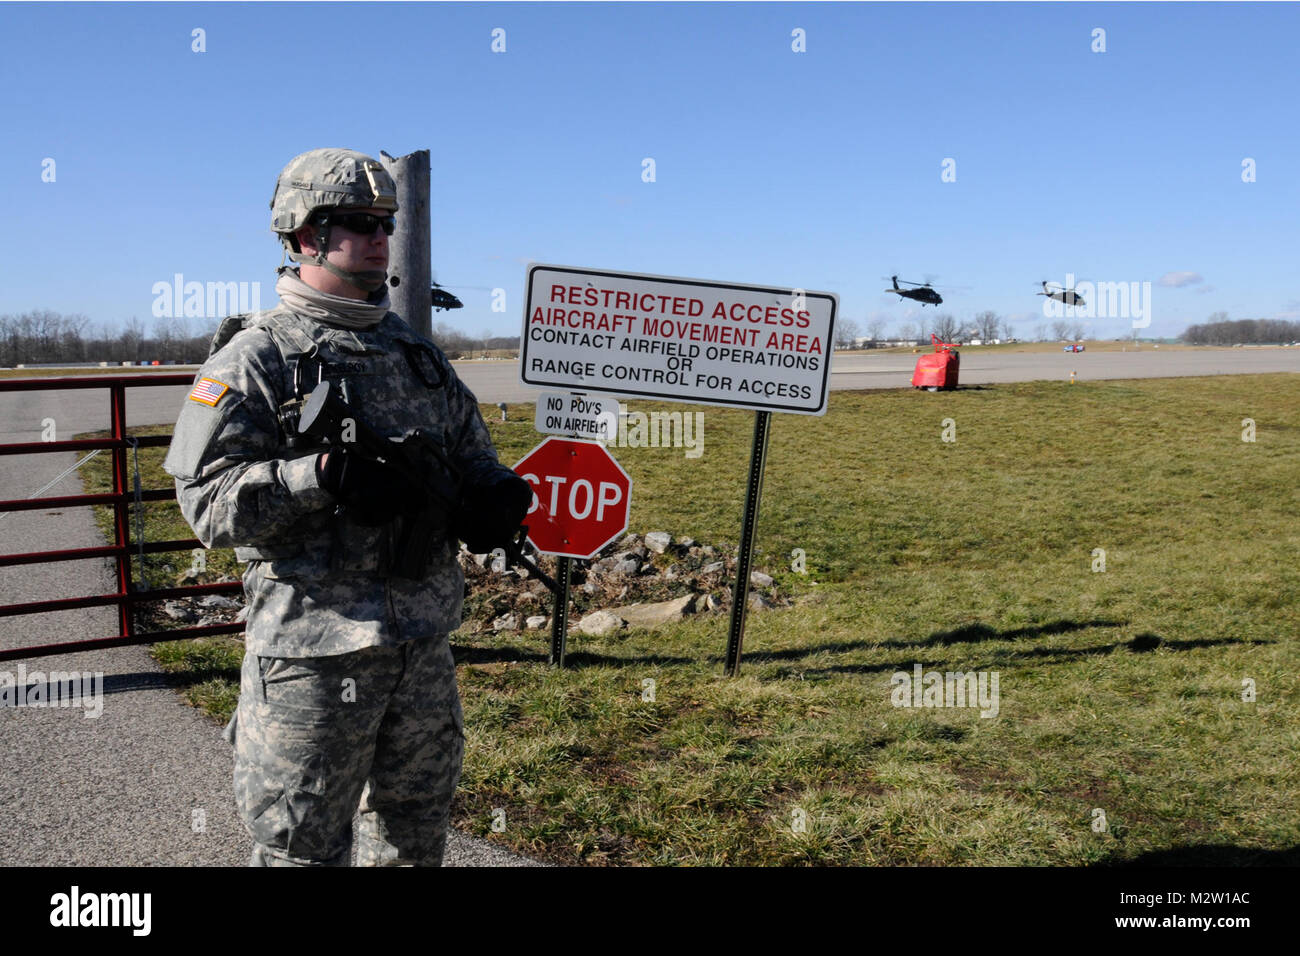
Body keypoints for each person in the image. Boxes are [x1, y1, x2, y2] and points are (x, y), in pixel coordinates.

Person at [163, 147, 531, 866]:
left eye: (386, 222)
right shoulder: (258, 358)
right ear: (307, 235)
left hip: (420, 645)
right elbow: (206, 505)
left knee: (415, 832)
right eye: (360, 222)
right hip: (312, 654)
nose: (380, 236)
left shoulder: (415, 355)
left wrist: (495, 493)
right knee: (301, 844)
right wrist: (319, 476)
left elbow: (470, 454)